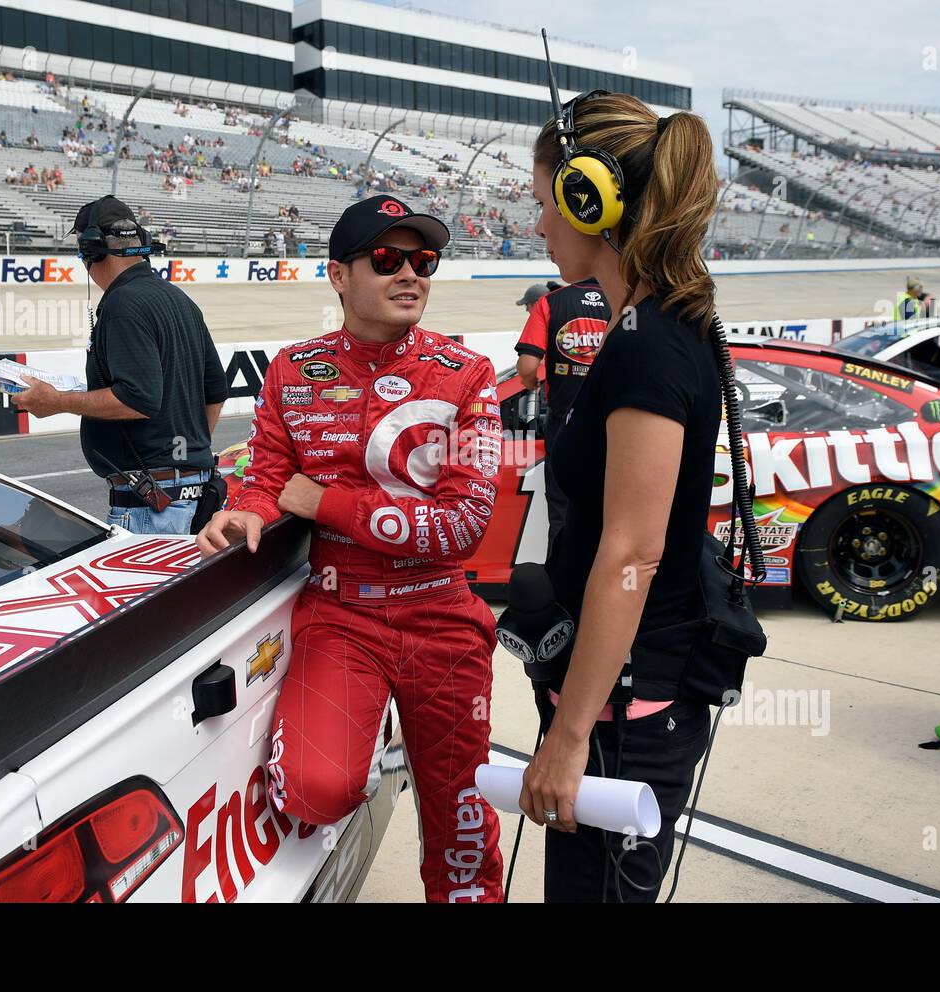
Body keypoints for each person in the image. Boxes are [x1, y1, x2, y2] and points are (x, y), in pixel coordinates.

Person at [195, 194, 505, 903]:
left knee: (461, 828)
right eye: (387, 259)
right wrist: (241, 510)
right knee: (313, 792)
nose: (410, 275)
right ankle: (375, 728)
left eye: (423, 261)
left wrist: (322, 500)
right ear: (339, 276)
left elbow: (461, 528)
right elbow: (265, 477)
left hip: (442, 619)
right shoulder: (291, 370)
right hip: (341, 618)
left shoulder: (468, 374)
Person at [517, 90, 723, 902]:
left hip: (619, 721)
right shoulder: (657, 325)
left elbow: (633, 551)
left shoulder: (646, 347)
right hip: (621, 705)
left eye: (543, 205)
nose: (538, 228)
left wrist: (568, 742)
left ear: (587, 200)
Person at [13, 195, 227, 535]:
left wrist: (56, 403)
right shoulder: (179, 299)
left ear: (92, 250)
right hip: (192, 496)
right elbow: (216, 390)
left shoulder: (123, 304)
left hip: (153, 507)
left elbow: (137, 398)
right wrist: (185, 456)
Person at [515, 279, 611, 558]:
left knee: (562, 511)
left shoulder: (551, 301)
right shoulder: (625, 297)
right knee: (611, 512)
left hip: (566, 424)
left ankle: (563, 585)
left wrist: (531, 382)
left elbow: (528, 366)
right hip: (615, 425)